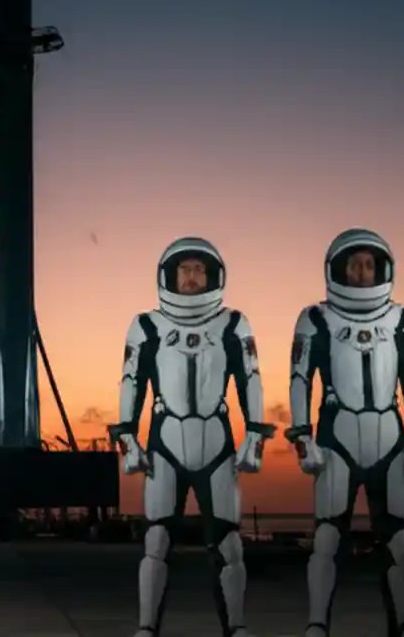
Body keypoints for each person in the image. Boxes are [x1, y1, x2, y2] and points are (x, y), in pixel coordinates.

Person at [107, 236, 275, 637]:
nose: (193, 277)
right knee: (156, 540)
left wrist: (255, 434)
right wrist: (128, 437)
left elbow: (251, 379)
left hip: (216, 442)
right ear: (170, 275)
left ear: (213, 275)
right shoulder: (146, 325)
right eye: (185, 269)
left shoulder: (234, 323)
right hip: (165, 442)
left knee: (229, 543)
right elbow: (131, 383)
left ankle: (236, 627)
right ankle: (147, 627)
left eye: (200, 269)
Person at [284, 227, 404, 637]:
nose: (361, 271)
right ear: (337, 269)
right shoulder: (315, 318)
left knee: (400, 539)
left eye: (369, 264)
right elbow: (300, 379)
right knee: (326, 536)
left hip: (391, 437)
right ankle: (318, 623)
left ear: (382, 268)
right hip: (337, 437)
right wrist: (303, 437)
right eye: (354, 264)